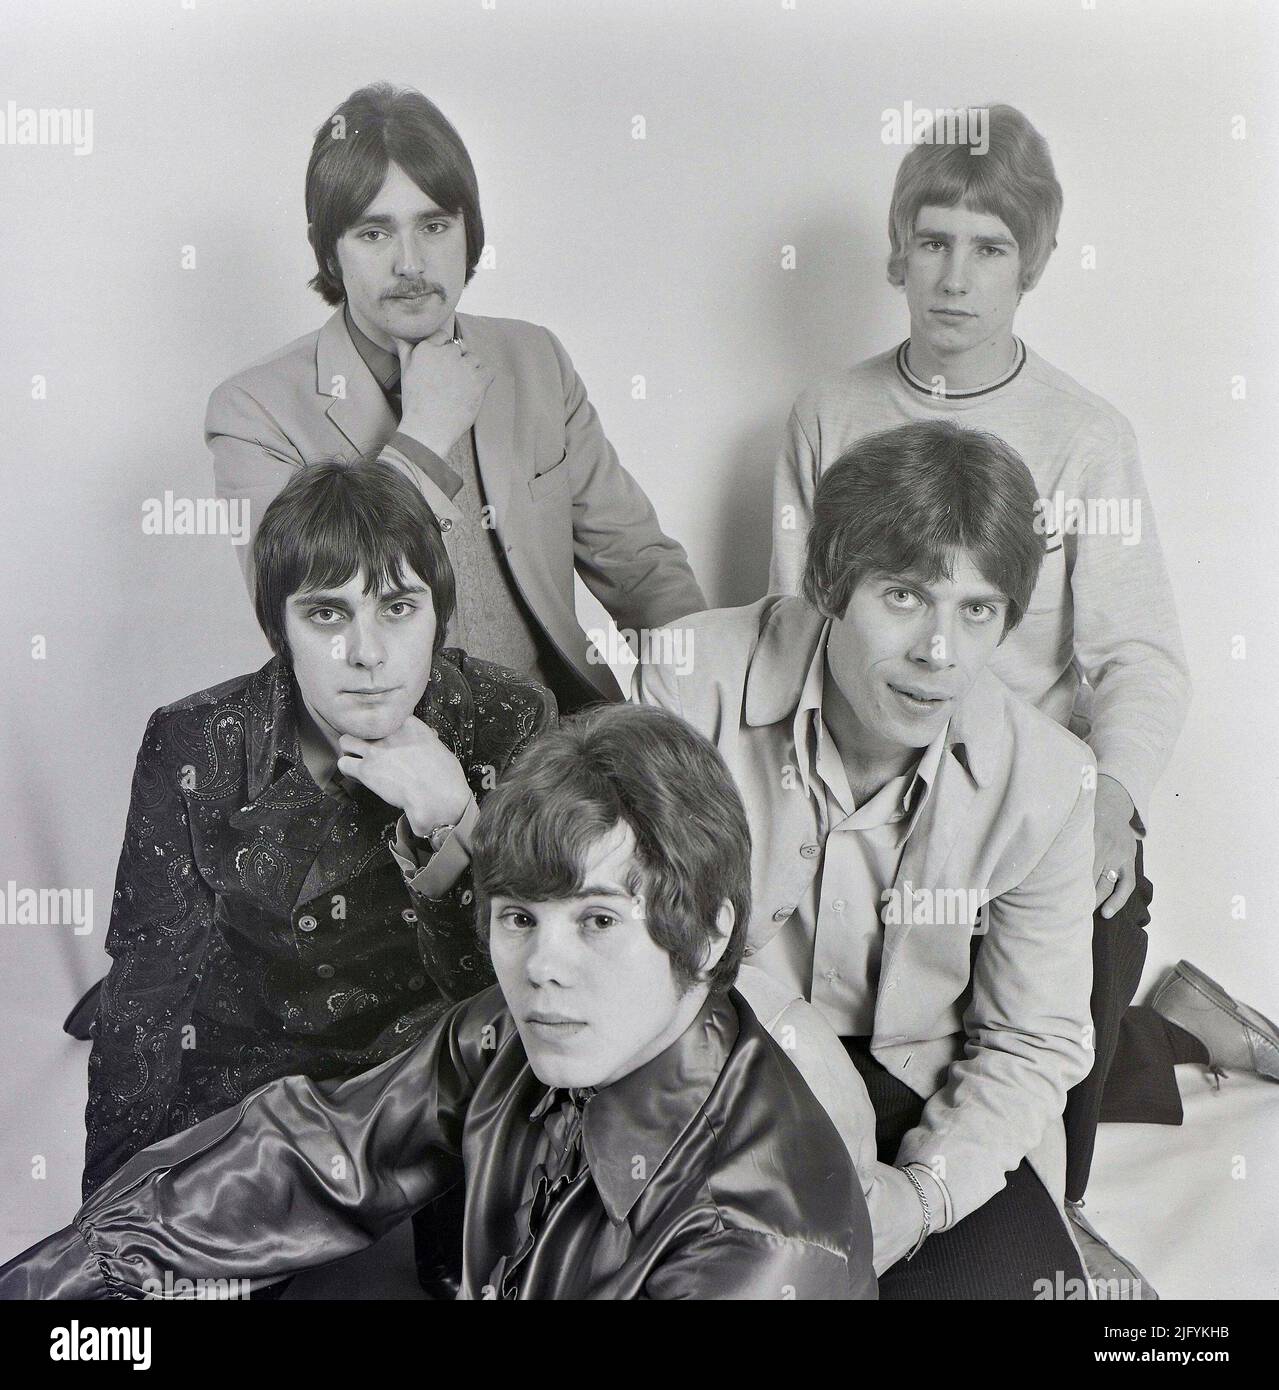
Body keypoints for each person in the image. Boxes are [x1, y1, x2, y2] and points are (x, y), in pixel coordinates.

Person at [1, 705, 876, 1301]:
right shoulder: (514, 1032)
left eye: (599, 920)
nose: (542, 967)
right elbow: (307, 1155)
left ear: (711, 933)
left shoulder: (762, 1253)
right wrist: (65, 1293)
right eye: (518, 917)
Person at [765, 105, 1191, 1245]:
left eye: (989, 248)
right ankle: (1172, 1033)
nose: (955, 278)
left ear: (1033, 264)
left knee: (1054, 1030)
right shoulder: (825, 414)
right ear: (898, 250)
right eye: (935, 241)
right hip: (864, 783)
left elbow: (1138, 657)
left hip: (1020, 803)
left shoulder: (1084, 436)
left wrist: (1107, 802)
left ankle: (1077, 1180)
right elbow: (789, 630)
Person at [638, 419, 1097, 1297]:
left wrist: (921, 1197)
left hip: (925, 1082)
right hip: (716, 1062)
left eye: (976, 611)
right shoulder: (688, 681)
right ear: (828, 586)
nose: (938, 651)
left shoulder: (1049, 778)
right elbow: (653, 945)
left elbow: (1027, 1040)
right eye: (903, 597)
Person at [83, 457, 554, 1293]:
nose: (367, 653)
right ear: (280, 627)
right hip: (251, 1066)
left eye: (398, 608)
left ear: (438, 615)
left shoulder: (505, 718)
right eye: (327, 613)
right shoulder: (195, 742)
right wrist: (109, 1224)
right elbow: (147, 998)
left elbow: (518, 990)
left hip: (425, 1067)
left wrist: (452, 825)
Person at [207, 81, 705, 713]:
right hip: (384, 772)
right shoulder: (253, 411)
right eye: (374, 233)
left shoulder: (534, 360)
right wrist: (426, 432)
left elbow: (636, 564)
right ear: (329, 252)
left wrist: (711, 699)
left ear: (470, 233)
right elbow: (309, 613)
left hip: (561, 751)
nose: (411, 263)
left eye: (434, 225)